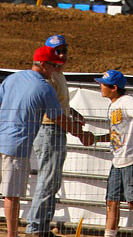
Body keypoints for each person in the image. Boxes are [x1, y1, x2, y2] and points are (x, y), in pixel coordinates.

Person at [26, 35, 94, 237]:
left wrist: (71, 112)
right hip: (50, 130)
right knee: (48, 180)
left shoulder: (57, 75)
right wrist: (75, 127)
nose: (63, 54)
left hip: (54, 130)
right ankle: (36, 227)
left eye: (64, 50)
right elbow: (51, 111)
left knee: (51, 181)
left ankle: (41, 226)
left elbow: (57, 105)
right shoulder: (50, 76)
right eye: (58, 51)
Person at [0, 47, 71, 237]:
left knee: (11, 193)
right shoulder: (44, 86)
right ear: (43, 64)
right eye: (54, 65)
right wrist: (80, 133)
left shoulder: (13, 79)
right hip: (17, 144)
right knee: (12, 195)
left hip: (5, 139)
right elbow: (59, 117)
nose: (56, 70)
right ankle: (12, 235)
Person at [94, 69, 133, 237]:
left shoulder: (126, 101)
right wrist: (96, 139)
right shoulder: (114, 105)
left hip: (131, 160)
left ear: (114, 87)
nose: (100, 86)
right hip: (119, 160)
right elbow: (116, 134)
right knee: (112, 202)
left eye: (103, 84)